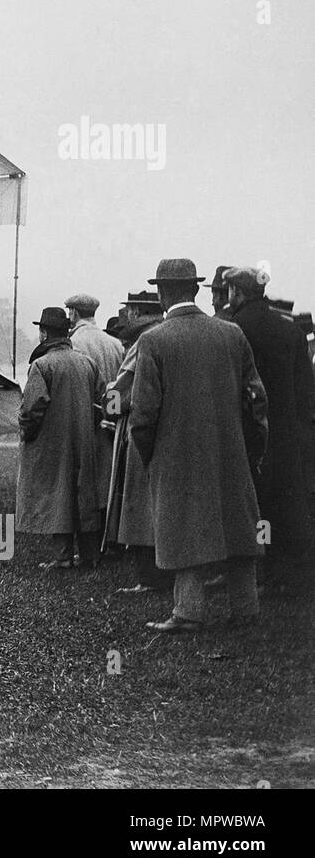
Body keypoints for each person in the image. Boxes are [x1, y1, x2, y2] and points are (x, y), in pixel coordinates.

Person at [130, 258, 268, 634]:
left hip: (176, 456)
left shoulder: (154, 340)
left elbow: (143, 412)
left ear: (161, 292)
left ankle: (189, 611)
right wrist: (254, 448)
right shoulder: (231, 334)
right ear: (195, 289)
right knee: (239, 525)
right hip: (230, 450)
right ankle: (245, 606)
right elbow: (256, 399)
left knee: (183, 528)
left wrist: (148, 454)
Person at [224, 266, 314, 594]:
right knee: (286, 504)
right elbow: (306, 389)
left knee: (259, 508)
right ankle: (289, 571)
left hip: (249, 432)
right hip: (288, 433)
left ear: (237, 292)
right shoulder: (290, 331)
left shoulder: (233, 329)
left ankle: (264, 569)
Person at [15, 307, 103, 570]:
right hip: (84, 440)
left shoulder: (41, 366)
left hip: (52, 443)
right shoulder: (88, 363)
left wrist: (27, 433)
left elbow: (31, 409)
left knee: (58, 496)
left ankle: (63, 556)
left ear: (44, 334)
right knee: (83, 495)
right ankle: (89, 555)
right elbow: (102, 403)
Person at [102, 308, 170, 594]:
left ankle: (150, 576)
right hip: (173, 428)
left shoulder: (146, 340)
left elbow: (121, 391)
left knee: (140, 504)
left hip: (142, 428)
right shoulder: (174, 334)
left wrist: (109, 405)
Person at [65, 293, 125, 507]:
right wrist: (112, 414)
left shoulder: (72, 343)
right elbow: (119, 383)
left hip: (85, 420)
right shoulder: (115, 344)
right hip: (110, 421)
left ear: (74, 313)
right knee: (107, 482)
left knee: (84, 485)